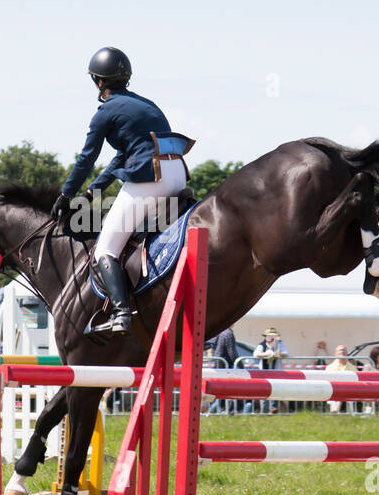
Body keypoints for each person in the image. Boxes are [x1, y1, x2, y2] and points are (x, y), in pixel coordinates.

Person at [52, 47, 195, 336]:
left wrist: (66, 195)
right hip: (177, 171)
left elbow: (86, 159)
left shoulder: (105, 112)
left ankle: (121, 313)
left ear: (99, 81)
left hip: (150, 178)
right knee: (143, 233)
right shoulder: (146, 104)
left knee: (105, 248)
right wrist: (95, 190)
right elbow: (122, 155)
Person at [208, 327, 241, 414]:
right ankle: (212, 412)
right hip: (225, 366)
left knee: (220, 392)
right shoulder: (228, 333)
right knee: (226, 392)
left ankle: (212, 412)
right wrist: (240, 364)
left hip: (219, 365)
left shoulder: (219, 332)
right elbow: (232, 352)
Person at [326, 344, 355, 413]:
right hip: (333, 389)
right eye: (340, 350)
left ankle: (336, 408)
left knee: (343, 389)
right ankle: (336, 408)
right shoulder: (330, 367)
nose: (342, 352)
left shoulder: (353, 367)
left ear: (347, 353)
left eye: (344, 350)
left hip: (349, 390)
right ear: (336, 354)